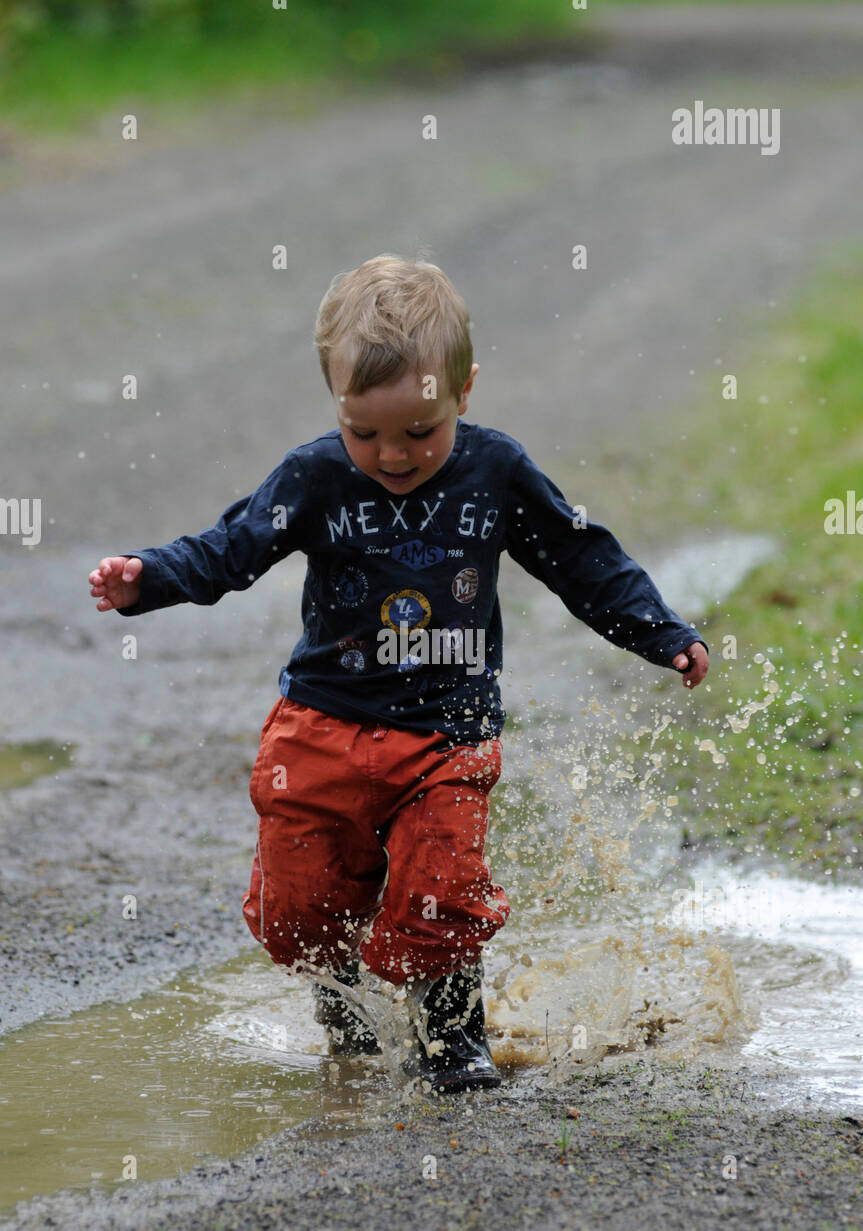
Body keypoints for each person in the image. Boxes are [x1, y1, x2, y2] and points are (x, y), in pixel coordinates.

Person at [88, 254, 709, 1094]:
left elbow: (577, 557)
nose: (392, 454)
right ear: (333, 401)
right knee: (298, 908)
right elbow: (228, 549)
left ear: (463, 392)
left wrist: (657, 631)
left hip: (446, 734)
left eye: (419, 432)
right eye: (365, 432)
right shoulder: (312, 475)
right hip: (320, 728)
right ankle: (343, 1006)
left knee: (441, 890)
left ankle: (454, 1039)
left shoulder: (495, 472)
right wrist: (145, 580)